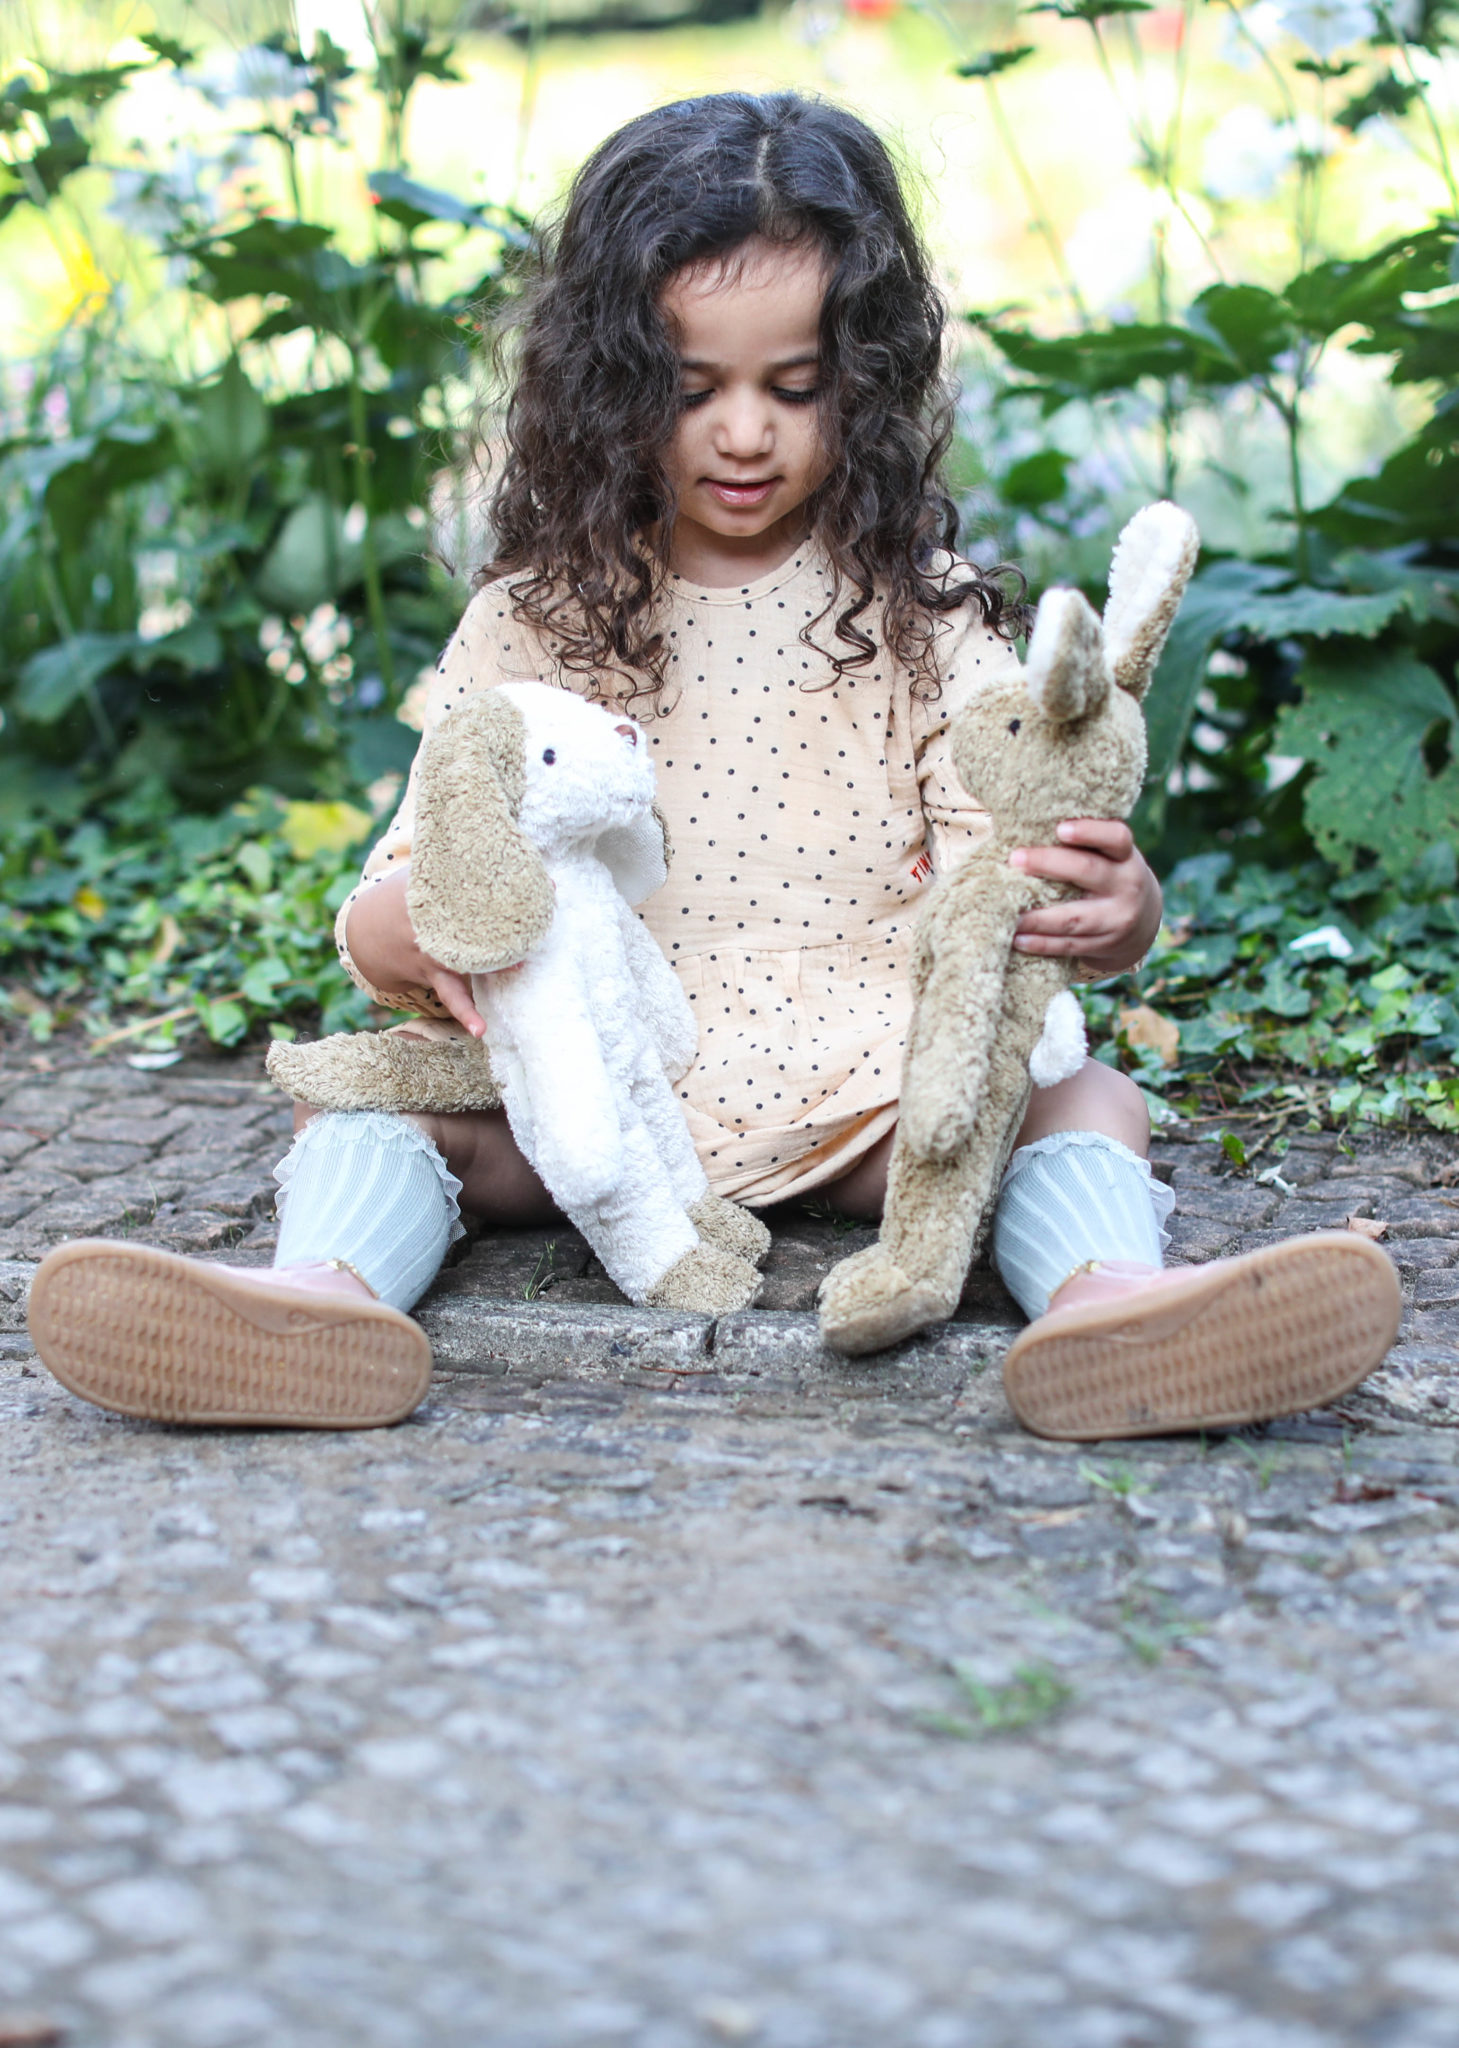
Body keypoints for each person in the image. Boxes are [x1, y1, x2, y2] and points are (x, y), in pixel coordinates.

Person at [28, 92, 1399, 1435]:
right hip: (600, 1103)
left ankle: (1116, 1309)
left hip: (861, 1088)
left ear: (862, 383)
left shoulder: (922, 614)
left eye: (793, 388)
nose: (746, 432)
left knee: (1075, 1095)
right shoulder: (534, 614)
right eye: (693, 390)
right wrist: (419, 931)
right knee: (375, 1119)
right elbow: (411, 876)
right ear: (608, 386)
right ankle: (310, 1304)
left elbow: (1019, 845)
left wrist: (1117, 905)